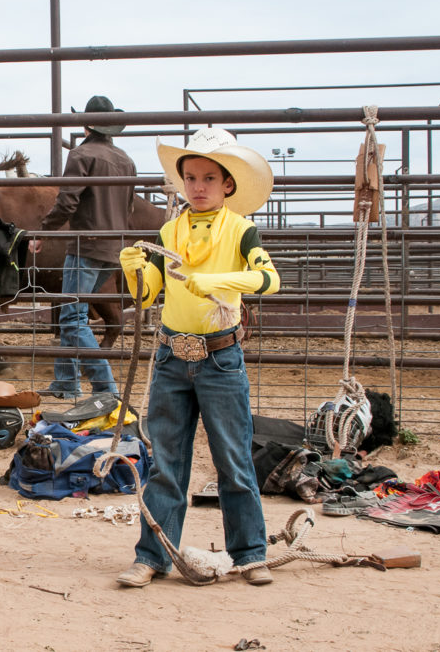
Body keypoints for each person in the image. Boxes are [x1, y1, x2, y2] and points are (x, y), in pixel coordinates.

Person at [116, 128, 280, 587]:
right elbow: (149, 295)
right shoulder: (169, 231)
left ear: (228, 184)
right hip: (172, 356)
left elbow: (269, 278)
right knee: (166, 463)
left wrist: (220, 281)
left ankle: (250, 554)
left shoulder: (242, 230)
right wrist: (134, 269)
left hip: (219, 357)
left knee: (233, 460)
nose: (199, 186)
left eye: (209, 177)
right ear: (181, 182)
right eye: (190, 177)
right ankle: (153, 556)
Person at [29, 95, 136, 400]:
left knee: (72, 319)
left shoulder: (81, 155)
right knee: (73, 313)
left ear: (86, 123)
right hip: (113, 250)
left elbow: (67, 202)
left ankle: (106, 388)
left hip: (86, 247)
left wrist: (42, 232)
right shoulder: (126, 160)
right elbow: (128, 207)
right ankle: (66, 382)